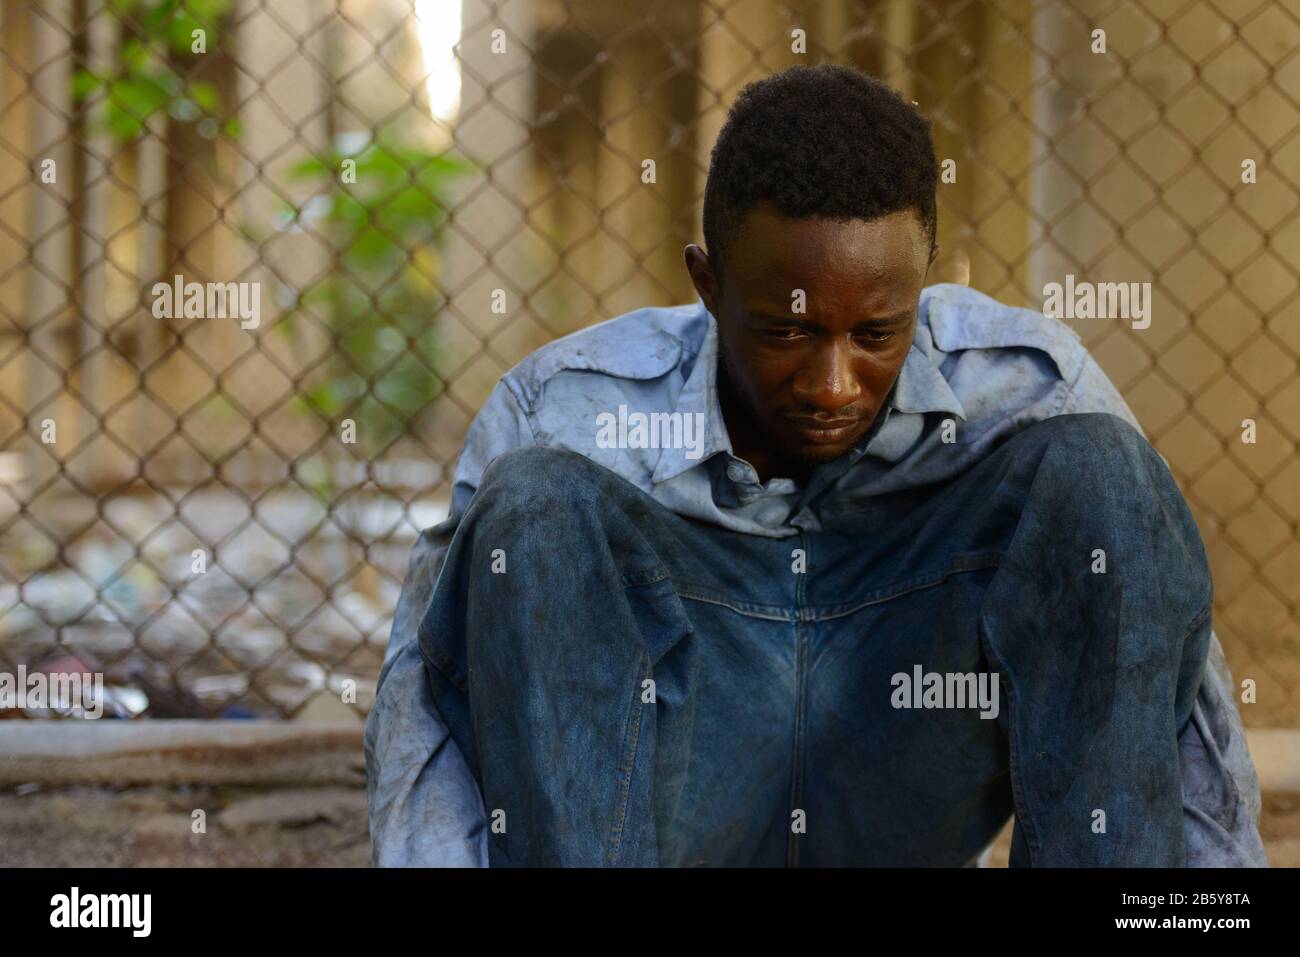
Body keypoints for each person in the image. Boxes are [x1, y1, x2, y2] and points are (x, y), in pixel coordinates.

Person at [364, 63, 1266, 867]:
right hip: (678, 793)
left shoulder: (1032, 387)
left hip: (904, 760)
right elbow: (425, 705)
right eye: (788, 329)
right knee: (535, 514)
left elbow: (1179, 699)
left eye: (876, 333)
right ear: (707, 285)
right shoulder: (562, 411)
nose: (832, 384)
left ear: (923, 283)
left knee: (1103, 477)